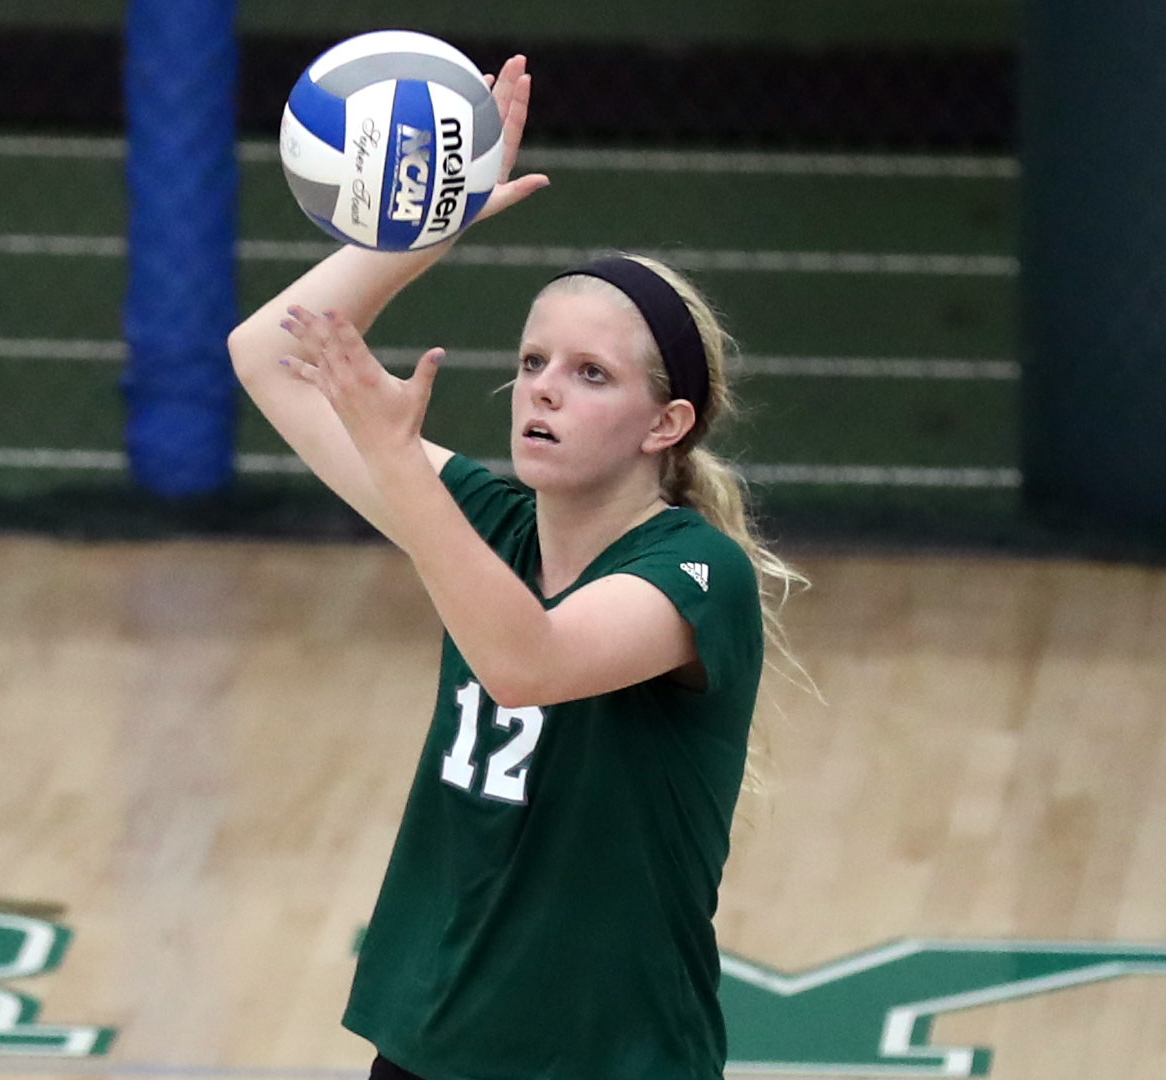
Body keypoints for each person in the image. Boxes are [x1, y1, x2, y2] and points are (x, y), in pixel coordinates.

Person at [227, 55, 799, 1080]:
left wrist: (401, 464)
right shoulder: (488, 518)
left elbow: (525, 660)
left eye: (590, 374)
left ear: (664, 424)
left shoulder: (694, 574)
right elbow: (268, 352)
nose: (543, 391)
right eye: (533, 362)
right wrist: (420, 228)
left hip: (604, 1059)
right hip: (433, 1043)